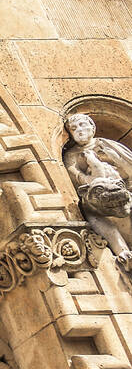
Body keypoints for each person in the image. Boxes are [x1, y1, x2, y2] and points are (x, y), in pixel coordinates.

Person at [63, 112, 132, 273]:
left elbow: (129, 167)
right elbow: (77, 176)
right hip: (97, 193)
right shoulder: (71, 155)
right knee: (92, 212)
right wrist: (94, 170)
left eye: (82, 125)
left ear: (92, 127)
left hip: (122, 189)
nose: (79, 130)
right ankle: (122, 251)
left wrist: (116, 158)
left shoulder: (109, 145)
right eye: (74, 128)